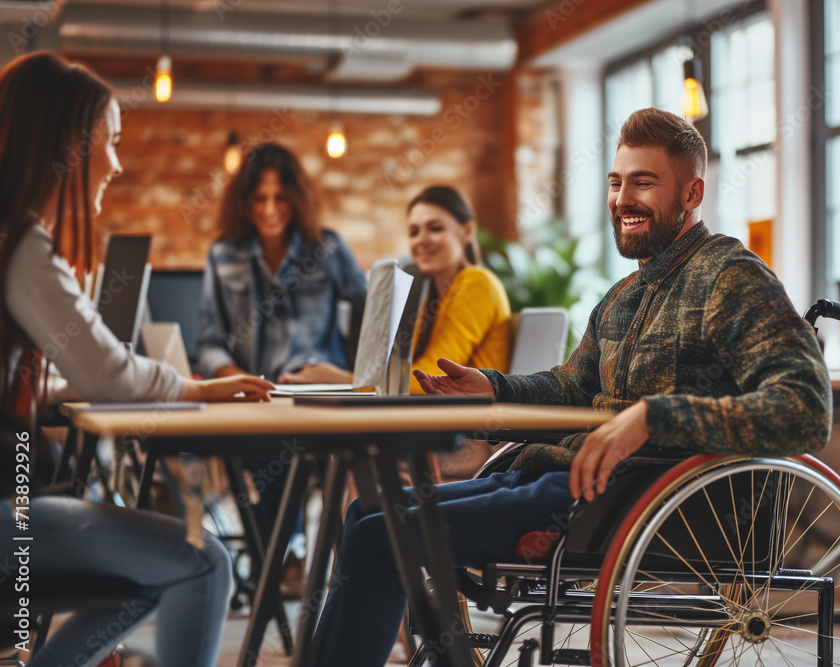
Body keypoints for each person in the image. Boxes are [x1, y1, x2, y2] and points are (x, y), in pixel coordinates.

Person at [307, 107, 831, 667]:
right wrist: (491, 385)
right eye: (616, 182)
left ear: (692, 192)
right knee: (366, 512)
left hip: (647, 503)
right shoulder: (624, 295)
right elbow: (571, 385)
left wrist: (656, 416)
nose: (623, 198)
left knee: (380, 536)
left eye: (644, 182)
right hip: (571, 480)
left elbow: (805, 408)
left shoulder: (731, 276)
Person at [0, 52, 274, 667]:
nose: (118, 164)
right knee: (204, 561)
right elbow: (109, 374)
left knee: (148, 577)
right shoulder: (23, 243)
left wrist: (52, 390)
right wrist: (197, 389)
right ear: (67, 142)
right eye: (112, 142)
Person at [280, 185, 511, 393]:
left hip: (469, 429)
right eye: (414, 232)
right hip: (440, 418)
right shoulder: (431, 296)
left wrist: (341, 379)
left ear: (467, 231)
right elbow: (403, 374)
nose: (422, 240)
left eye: (435, 228)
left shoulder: (477, 282)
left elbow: (431, 378)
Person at [197, 143, 367, 384]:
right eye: (259, 198)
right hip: (255, 397)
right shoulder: (222, 254)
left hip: (322, 393)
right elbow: (210, 344)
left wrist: (347, 377)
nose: (269, 210)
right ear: (243, 202)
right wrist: (243, 381)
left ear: (297, 199)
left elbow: (374, 321)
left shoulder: (327, 247)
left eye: (281, 198)